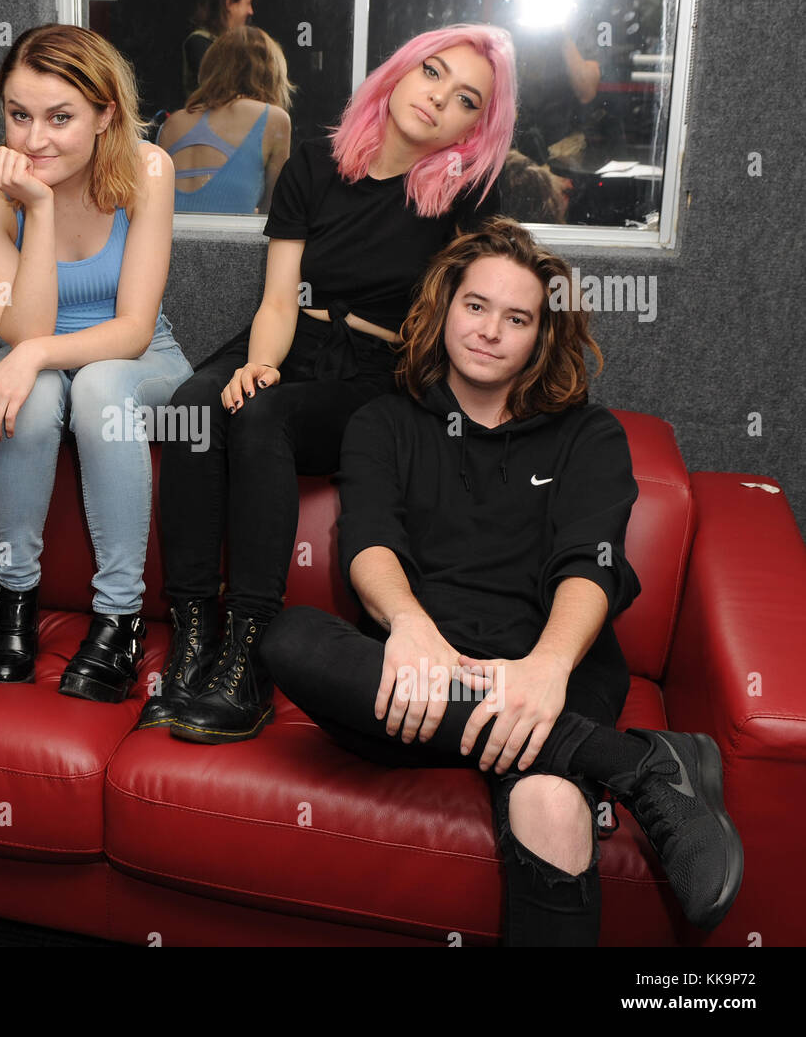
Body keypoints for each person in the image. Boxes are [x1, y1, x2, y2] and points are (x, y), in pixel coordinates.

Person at [260, 217, 743, 944]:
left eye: (516, 317)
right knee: (291, 638)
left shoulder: (589, 435)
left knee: (551, 804)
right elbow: (369, 542)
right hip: (420, 678)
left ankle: (580, 754)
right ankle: (636, 766)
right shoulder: (382, 422)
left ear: (542, 336)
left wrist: (545, 668)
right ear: (444, 308)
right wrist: (411, 626)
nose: (489, 330)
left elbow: (593, 562)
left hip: (550, 673)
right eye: (475, 305)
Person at [148, 24, 515, 742]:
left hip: (374, 372)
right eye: (433, 73)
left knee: (265, 418)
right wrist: (260, 364)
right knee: (193, 405)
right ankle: (192, 641)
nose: (439, 99)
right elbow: (279, 299)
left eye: (467, 99)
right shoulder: (315, 163)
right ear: (401, 71)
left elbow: (484, 307)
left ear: (478, 127)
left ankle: (249, 658)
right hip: (289, 336)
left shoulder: (466, 197)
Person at [0, 24, 192, 701]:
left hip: (136, 357)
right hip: (33, 348)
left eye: (60, 118)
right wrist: (36, 207)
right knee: (24, 398)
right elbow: (23, 324)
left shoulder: (149, 169)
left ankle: (119, 620)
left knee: (97, 392)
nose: (34, 140)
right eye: (19, 115)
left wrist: (29, 353)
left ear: (105, 114)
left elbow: (132, 328)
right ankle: (14, 599)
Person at [159, 25, 294, 214]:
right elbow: (274, 209)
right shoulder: (273, 118)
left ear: (211, 66)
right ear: (270, 72)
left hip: (170, 241)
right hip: (233, 241)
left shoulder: (172, 123)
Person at [181, 0, 254, 100]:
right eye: (248, 3)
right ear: (229, 3)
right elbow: (219, 90)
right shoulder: (199, 42)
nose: (251, 11)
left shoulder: (237, 46)